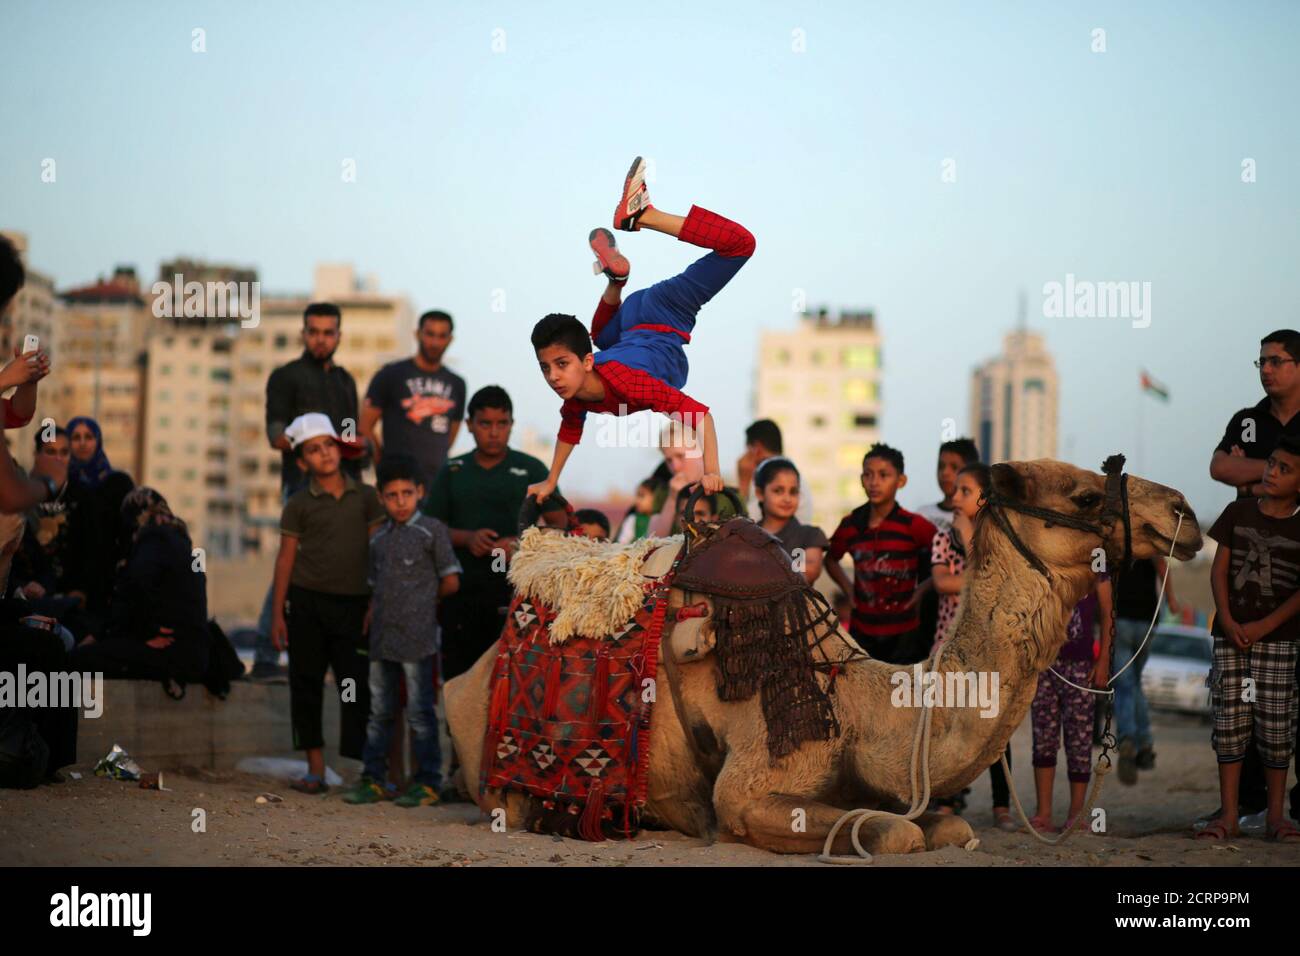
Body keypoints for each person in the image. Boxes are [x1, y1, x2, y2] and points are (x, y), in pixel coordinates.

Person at [525, 156, 756, 504]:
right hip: (629, 322)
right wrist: (550, 480)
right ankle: (616, 283)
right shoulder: (576, 394)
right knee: (600, 338)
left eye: (561, 365)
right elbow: (569, 431)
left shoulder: (630, 383)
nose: (553, 377)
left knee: (741, 245)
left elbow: (701, 417)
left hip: (665, 312)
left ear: (586, 364)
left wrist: (711, 471)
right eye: (546, 367)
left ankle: (644, 215)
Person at [1206, 328, 1300, 823]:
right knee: (1237, 705)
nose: (1266, 369)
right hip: (1244, 579)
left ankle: (1288, 811)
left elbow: (1238, 472)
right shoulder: (1247, 421)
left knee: (1284, 708)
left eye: (1277, 361)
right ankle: (1243, 807)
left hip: (1293, 572)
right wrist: (1281, 470)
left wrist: (1254, 472)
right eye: (1260, 361)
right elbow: (1219, 467)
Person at [270, 413, 384, 795]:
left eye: (328, 445)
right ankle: (315, 770)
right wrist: (276, 616)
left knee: (354, 684)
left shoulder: (367, 497)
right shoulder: (298, 504)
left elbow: (378, 553)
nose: (324, 454)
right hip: (305, 605)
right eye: (314, 450)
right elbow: (285, 559)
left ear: (339, 448)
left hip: (355, 606)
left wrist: (376, 602)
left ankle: (359, 770)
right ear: (302, 461)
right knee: (305, 684)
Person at [343, 456, 461, 808]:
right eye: (391, 495)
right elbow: (375, 587)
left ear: (420, 492)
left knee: (421, 714)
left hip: (420, 638)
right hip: (382, 639)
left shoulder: (433, 532)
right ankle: (373, 779)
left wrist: (421, 602)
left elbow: (451, 581)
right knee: (379, 712)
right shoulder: (378, 540)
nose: (400, 501)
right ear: (380, 497)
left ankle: (427, 783)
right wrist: (374, 613)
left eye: (407, 493)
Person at [255, 302, 363, 680]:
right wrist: (312, 442)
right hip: (303, 487)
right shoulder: (286, 376)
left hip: (347, 489)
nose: (321, 338)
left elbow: (351, 433)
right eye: (314, 331)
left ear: (338, 336)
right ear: (304, 333)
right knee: (292, 565)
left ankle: (343, 660)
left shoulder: (345, 381)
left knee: (346, 568)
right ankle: (266, 656)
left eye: (328, 332)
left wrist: (356, 450)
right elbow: (275, 435)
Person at [928, 462, 1015, 829]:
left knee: (994, 730)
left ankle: (1002, 806)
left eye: (965, 491)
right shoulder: (942, 537)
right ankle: (946, 799)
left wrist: (969, 544)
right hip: (949, 647)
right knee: (948, 724)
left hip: (988, 648)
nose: (956, 497)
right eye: (955, 491)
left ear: (986, 497)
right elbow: (942, 584)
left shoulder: (1000, 539)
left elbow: (995, 583)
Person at [71, 488, 211, 689]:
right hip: (195, 652)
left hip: (172, 652)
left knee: (76, 660)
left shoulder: (153, 539)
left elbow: (136, 587)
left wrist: (146, 631)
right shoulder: (184, 543)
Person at [827, 443, 937, 665]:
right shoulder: (851, 524)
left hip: (904, 632)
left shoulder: (914, 525)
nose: (874, 482)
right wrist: (849, 589)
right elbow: (830, 559)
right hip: (862, 630)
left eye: (883, 475)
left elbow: (946, 559)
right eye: (868, 475)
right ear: (861, 479)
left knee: (900, 694)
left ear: (901, 481)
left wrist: (922, 590)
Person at [1027, 574, 1111, 834]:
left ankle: (1077, 814)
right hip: (1045, 663)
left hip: (1081, 666)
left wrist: (1104, 660)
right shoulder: (1047, 555)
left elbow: (1109, 613)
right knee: (1044, 737)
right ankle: (1043, 814)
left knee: (1079, 740)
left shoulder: (1096, 562)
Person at [360, 309, 466, 492]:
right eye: (430, 334)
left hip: (436, 486)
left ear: (450, 340)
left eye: (442, 336)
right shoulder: (390, 374)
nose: (434, 342)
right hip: (397, 484)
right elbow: (364, 426)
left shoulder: (457, 384)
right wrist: (383, 465)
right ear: (417, 334)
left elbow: (450, 435)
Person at [1112, 556, 1181, 785]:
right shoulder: (1149, 538)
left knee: (1124, 683)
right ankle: (1146, 743)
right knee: (1135, 683)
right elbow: (1162, 566)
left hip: (1121, 616)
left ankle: (1128, 739)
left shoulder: (1119, 537)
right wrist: (1171, 599)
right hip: (1147, 619)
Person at [65, 417, 133, 618]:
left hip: (108, 583)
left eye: (89, 437)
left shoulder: (117, 484)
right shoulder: (61, 486)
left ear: (98, 441)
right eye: (76, 437)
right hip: (70, 586)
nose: (83, 443)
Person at [752, 457, 828, 586]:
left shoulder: (810, 535)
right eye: (778, 491)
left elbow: (809, 573)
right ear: (760, 493)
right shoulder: (747, 535)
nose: (787, 499)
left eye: (793, 492)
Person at [738, 419, 814, 524]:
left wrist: (744, 482)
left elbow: (746, 522)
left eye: (748, 449)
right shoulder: (791, 472)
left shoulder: (765, 474)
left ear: (757, 448)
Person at [614, 478, 663, 543]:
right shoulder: (633, 519)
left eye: (642, 496)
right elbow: (622, 543)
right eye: (637, 496)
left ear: (657, 497)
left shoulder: (664, 520)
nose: (637, 501)